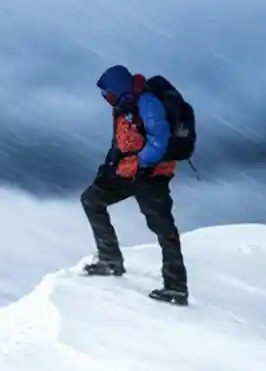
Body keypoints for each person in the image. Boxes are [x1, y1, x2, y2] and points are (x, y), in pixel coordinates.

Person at [81, 64, 189, 306]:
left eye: (108, 94)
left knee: (163, 228)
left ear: (118, 89)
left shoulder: (147, 103)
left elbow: (158, 141)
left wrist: (141, 166)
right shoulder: (123, 107)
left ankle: (176, 288)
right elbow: (120, 143)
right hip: (129, 172)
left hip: (152, 175)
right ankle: (110, 261)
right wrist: (109, 167)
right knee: (92, 200)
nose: (106, 99)